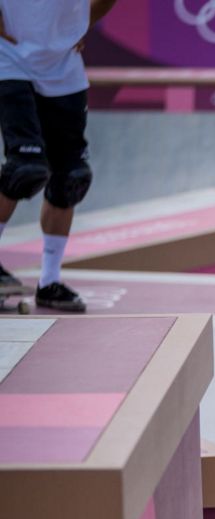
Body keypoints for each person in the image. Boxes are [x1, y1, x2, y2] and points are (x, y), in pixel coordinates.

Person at [0, 0, 117, 312]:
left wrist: (80, 25)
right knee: (24, 167)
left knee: (71, 177)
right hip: (8, 58)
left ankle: (49, 282)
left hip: (63, 64)